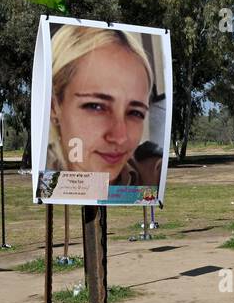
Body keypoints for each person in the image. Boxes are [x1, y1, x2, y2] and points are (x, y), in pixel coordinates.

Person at [47, 26, 161, 186]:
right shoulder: (44, 176)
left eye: (135, 113)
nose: (120, 137)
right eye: (96, 106)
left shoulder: (151, 175)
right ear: (54, 107)